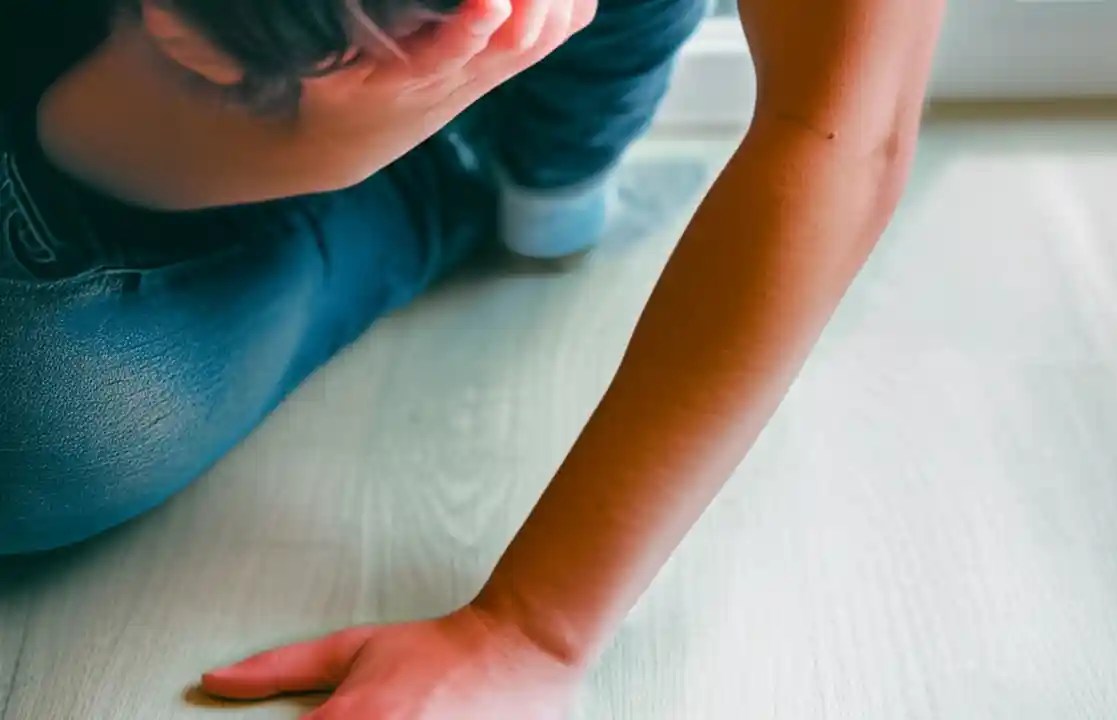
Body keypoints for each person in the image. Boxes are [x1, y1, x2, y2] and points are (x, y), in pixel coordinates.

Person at [0, 0, 945, 716]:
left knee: (38, 422)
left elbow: (840, 138)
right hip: (93, 76)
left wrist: (533, 630)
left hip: (452, 109)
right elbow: (76, 134)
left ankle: (465, 177)